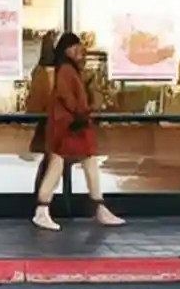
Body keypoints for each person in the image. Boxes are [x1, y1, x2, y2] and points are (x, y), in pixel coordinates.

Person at [32, 32, 125, 231]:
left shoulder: (69, 69)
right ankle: (43, 209)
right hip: (69, 126)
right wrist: (82, 112)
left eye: (78, 47)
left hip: (70, 126)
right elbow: (67, 97)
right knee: (60, 166)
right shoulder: (66, 70)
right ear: (65, 50)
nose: (78, 51)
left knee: (79, 163)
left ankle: (47, 209)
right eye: (73, 47)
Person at [25, 31, 59, 194]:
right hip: (53, 122)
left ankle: (42, 198)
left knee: (51, 162)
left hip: (49, 122)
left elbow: (35, 100)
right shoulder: (50, 72)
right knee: (53, 162)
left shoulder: (40, 71)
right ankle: (43, 200)